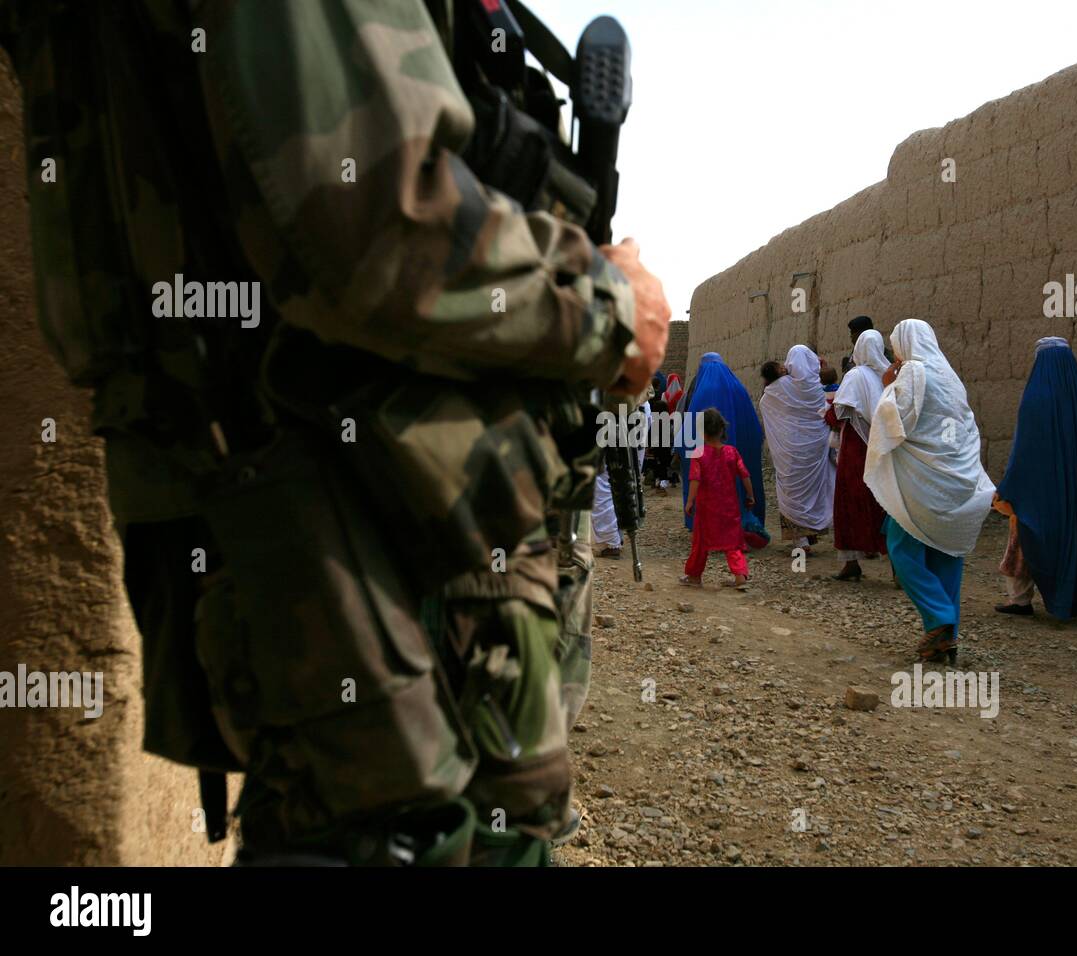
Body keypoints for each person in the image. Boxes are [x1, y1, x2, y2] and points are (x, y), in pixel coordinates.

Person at [0, 0, 670, 866]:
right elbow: (370, 218)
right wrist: (610, 306)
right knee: (415, 840)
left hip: (314, 519)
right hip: (387, 526)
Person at [865, 320, 995, 663]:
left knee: (901, 547)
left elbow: (896, 424)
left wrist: (887, 387)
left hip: (923, 486)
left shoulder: (913, 373)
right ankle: (944, 638)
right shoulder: (951, 377)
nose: (894, 353)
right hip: (957, 482)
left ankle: (939, 617)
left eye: (895, 346)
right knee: (945, 555)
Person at [992, 338, 1077, 625]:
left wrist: (1010, 485)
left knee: (1025, 538)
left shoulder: (1035, 400)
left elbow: (1024, 451)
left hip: (1043, 495)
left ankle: (1021, 599)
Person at [676, 352, 766, 531]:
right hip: (735, 455)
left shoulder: (701, 392)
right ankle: (743, 527)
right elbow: (754, 430)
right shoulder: (738, 388)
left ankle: (710, 529)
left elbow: (688, 434)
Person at [759, 345, 836, 551]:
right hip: (813, 450)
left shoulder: (775, 389)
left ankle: (800, 542)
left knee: (792, 492)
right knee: (811, 490)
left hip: (788, 453)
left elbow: (766, 405)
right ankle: (810, 537)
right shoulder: (814, 387)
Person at [827, 330, 890, 580]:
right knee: (885, 504)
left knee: (850, 504)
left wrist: (827, 415)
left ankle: (852, 564)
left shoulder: (854, 376)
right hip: (884, 449)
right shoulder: (890, 375)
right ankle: (897, 568)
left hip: (856, 451)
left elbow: (838, 413)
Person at [681, 409, 756, 588]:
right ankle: (740, 576)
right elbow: (745, 474)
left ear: (702, 432)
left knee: (700, 542)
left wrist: (690, 501)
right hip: (730, 506)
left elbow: (695, 479)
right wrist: (750, 495)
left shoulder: (698, 454)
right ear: (722, 429)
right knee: (733, 542)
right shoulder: (732, 452)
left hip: (707, 507)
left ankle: (694, 576)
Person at [593, 398, 653, 558]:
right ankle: (615, 535)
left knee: (605, 481)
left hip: (617, 413)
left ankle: (610, 540)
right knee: (626, 477)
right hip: (634, 411)